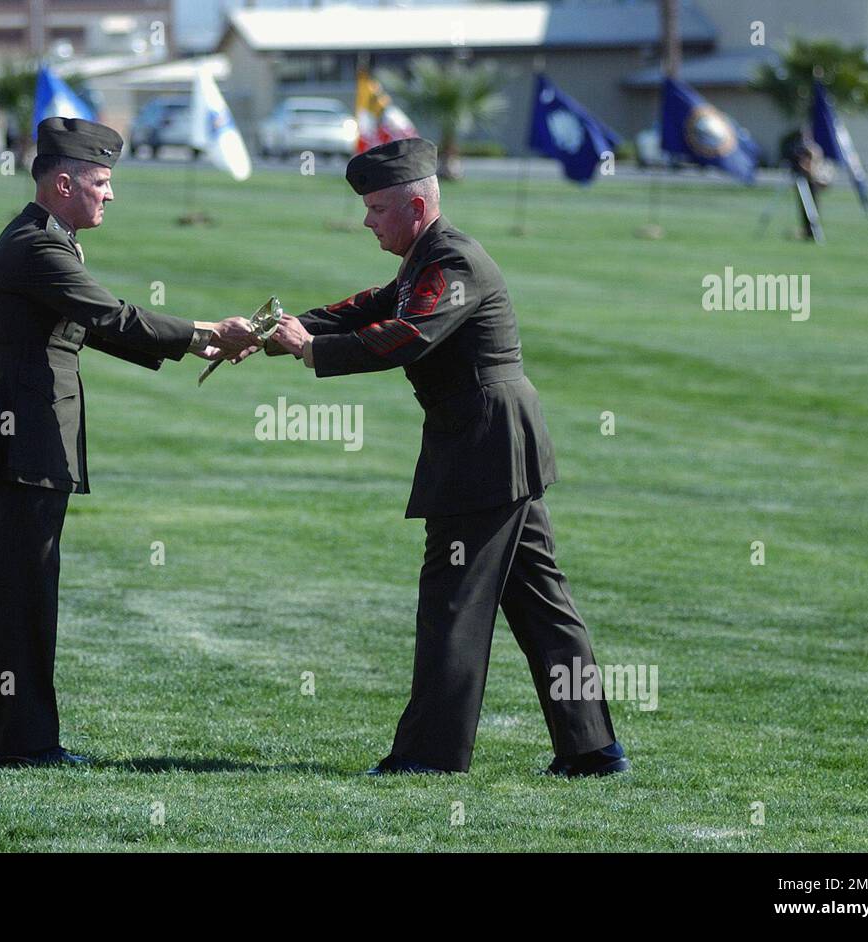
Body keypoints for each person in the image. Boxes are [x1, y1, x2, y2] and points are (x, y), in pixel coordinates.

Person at [264, 138, 629, 776]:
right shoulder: (425, 257)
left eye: (377, 209)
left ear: (416, 204)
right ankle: (593, 749)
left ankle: (431, 756)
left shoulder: (452, 260)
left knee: (453, 603)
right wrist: (280, 327)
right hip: (495, 445)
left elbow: (408, 335)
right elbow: (369, 307)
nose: (367, 221)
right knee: (540, 600)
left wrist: (308, 350)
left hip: (483, 449)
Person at [0, 117, 256, 766]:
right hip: (25, 444)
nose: (111, 193)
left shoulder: (45, 240)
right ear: (63, 184)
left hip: (30, 441)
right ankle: (24, 745)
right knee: (23, 598)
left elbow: (95, 326)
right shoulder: (40, 248)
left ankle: (27, 737)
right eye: (102, 181)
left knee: (28, 593)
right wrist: (205, 332)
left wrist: (200, 339)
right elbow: (111, 315)